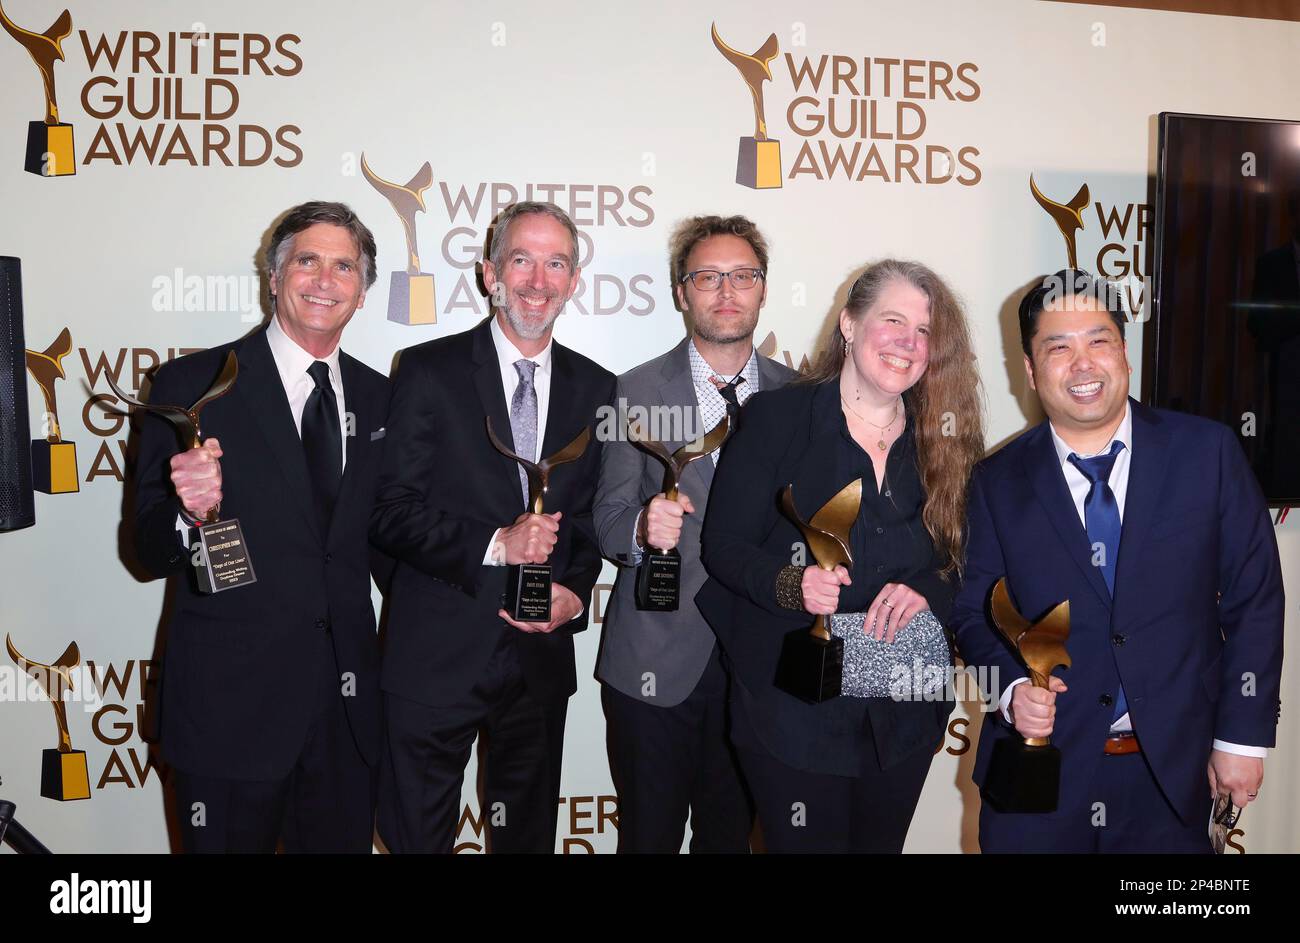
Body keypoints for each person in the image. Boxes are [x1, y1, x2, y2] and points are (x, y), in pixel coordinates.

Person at [951, 269, 1284, 853]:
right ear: (1029, 369)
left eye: (1098, 340)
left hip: (1172, 782)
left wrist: (1242, 738)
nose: (1082, 364)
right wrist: (1007, 691)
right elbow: (972, 612)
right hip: (1036, 780)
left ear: (1124, 352)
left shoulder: (1207, 454)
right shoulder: (995, 482)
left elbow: (1255, 600)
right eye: (1059, 346)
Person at [697, 259, 985, 852]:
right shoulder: (776, 419)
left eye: (925, 331)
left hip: (904, 704)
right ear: (850, 325)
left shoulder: (948, 439)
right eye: (893, 320)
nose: (908, 343)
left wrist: (928, 590)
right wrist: (791, 585)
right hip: (793, 704)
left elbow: (969, 561)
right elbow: (721, 547)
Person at [132, 201, 391, 852]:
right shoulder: (190, 385)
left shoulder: (383, 399)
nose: (325, 279)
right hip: (227, 714)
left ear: (362, 292)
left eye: (344, 266)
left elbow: (397, 539)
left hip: (345, 720)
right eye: (308, 260)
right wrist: (185, 510)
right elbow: (142, 548)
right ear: (273, 276)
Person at [371, 201, 615, 853]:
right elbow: (389, 510)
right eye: (522, 260)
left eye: (556, 262)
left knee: (527, 839)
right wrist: (492, 545)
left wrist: (573, 591)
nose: (538, 280)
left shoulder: (599, 387)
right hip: (435, 655)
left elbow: (593, 516)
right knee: (415, 837)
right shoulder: (426, 371)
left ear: (573, 280)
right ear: (489, 274)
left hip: (538, 660)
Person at [594, 215, 798, 853]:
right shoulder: (634, 392)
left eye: (743, 276)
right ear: (682, 292)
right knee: (648, 839)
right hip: (655, 658)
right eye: (708, 277)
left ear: (764, 289)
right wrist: (640, 528)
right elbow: (606, 520)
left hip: (761, 660)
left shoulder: (801, 397)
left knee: (731, 840)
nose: (727, 291)